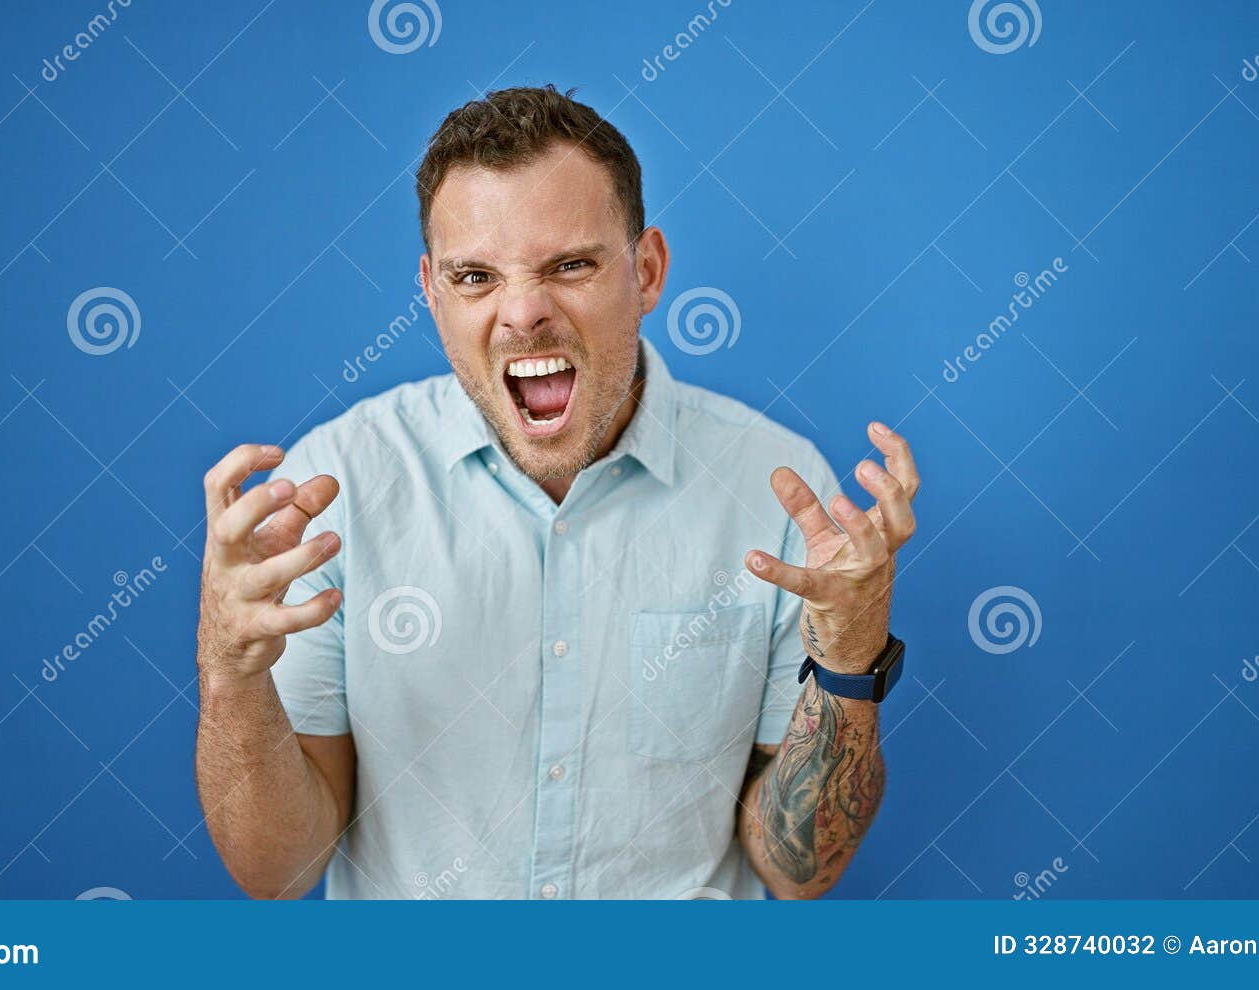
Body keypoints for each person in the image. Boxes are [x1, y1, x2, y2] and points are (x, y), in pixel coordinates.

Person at [193, 85, 920, 899]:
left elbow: (798, 871)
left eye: (569, 266)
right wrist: (230, 672)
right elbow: (276, 873)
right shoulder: (337, 487)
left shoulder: (780, 494)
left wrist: (849, 662)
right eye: (475, 277)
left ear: (646, 272)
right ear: (431, 292)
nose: (524, 314)